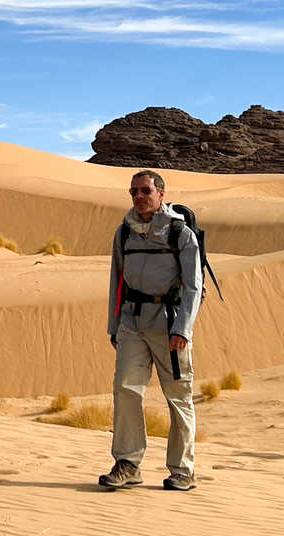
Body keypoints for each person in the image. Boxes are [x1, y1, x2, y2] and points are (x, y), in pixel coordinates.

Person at [98, 169, 201, 492]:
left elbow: (193, 286)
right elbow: (116, 279)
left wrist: (182, 328)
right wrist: (115, 327)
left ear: (161, 193)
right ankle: (127, 463)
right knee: (126, 390)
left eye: (145, 190)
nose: (139, 197)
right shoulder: (124, 232)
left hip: (168, 323)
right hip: (132, 322)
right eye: (133, 192)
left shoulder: (180, 233)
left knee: (178, 396)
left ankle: (182, 469)